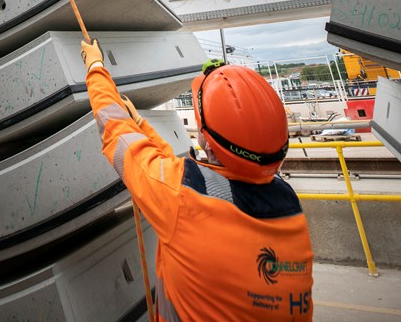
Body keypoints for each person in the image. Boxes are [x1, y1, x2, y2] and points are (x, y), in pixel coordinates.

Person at [81, 41, 314, 320]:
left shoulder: (182, 201)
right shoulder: (288, 204)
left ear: (210, 145)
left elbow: (115, 129)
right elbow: (177, 178)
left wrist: (95, 67)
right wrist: (142, 125)